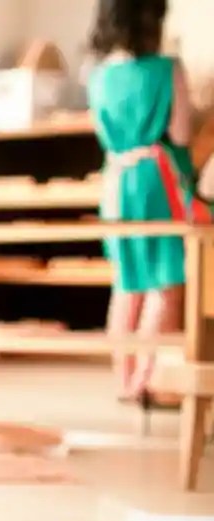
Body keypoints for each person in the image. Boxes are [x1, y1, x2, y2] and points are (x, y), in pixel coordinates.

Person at [88, 0, 211, 403]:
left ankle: (123, 380)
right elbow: (180, 134)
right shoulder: (165, 70)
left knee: (126, 284)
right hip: (156, 181)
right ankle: (146, 380)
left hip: (116, 181)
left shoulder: (99, 75)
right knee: (164, 285)